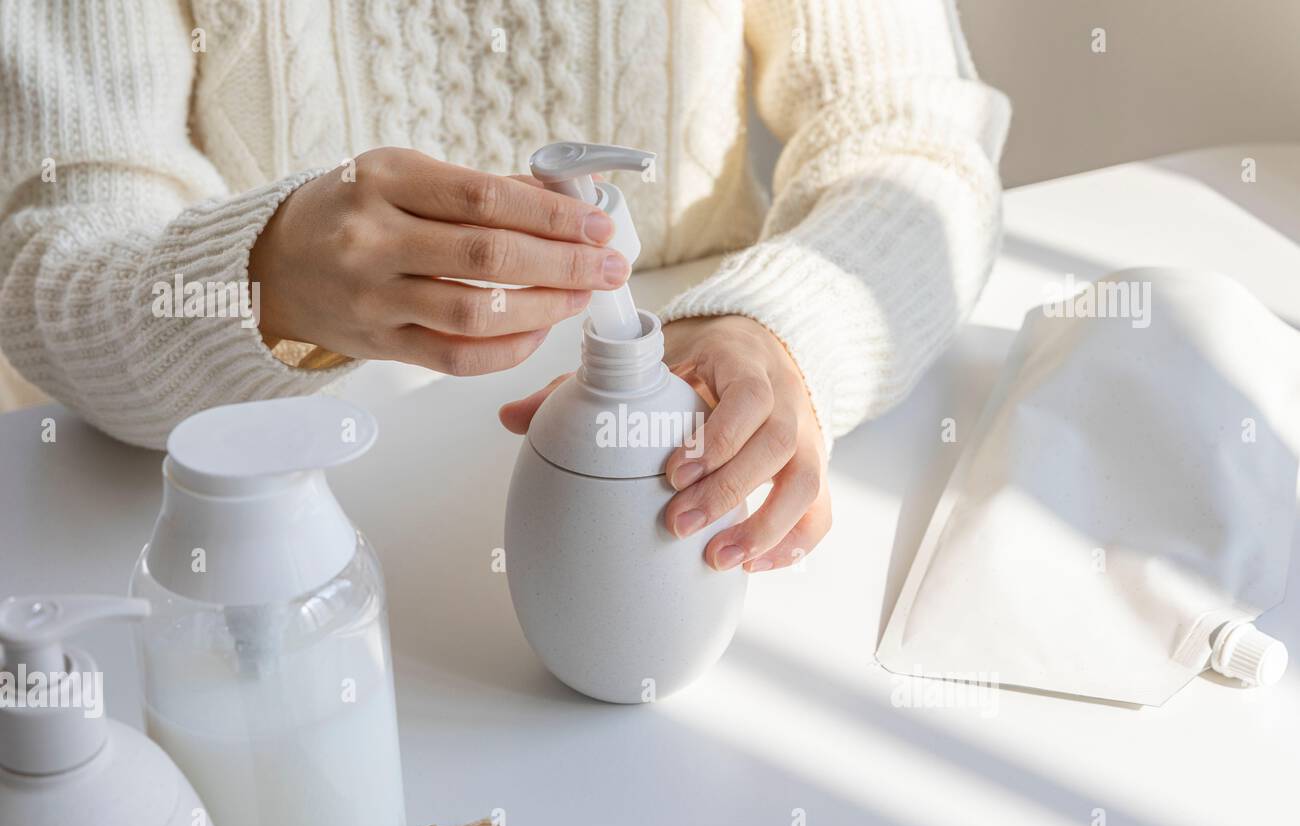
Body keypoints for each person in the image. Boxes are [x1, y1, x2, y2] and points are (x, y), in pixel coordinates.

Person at [0, 0, 1009, 573]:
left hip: (679, 481)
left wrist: (781, 331)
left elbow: (915, 137)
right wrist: (259, 281)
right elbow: (57, 258)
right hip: (263, 563)